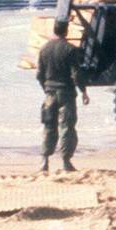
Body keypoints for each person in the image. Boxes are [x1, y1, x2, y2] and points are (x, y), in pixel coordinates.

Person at [36, 19, 89, 172]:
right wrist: (84, 91)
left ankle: (44, 161)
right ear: (66, 31)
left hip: (50, 93)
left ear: (54, 30)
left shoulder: (44, 49)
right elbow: (76, 74)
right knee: (67, 127)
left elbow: (39, 74)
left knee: (48, 126)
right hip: (66, 94)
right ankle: (66, 162)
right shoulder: (70, 49)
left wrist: (46, 89)